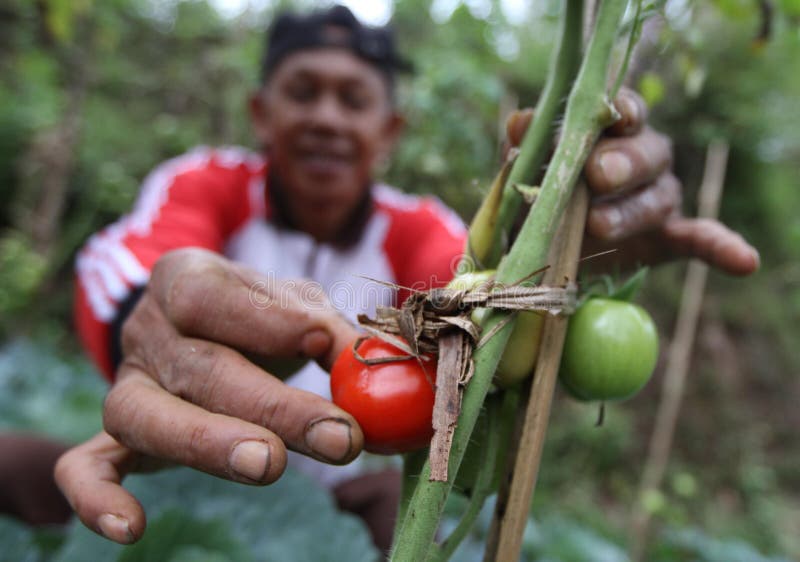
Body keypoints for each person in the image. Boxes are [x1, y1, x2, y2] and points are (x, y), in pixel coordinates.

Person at [53, 4, 759, 552]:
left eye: (352, 100)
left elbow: (483, 304)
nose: (327, 117)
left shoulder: (418, 229)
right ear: (261, 114)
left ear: (389, 130)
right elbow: (130, 270)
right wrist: (147, 329)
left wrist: (579, 252)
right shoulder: (205, 184)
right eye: (304, 92)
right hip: (178, 487)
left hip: (337, 499)